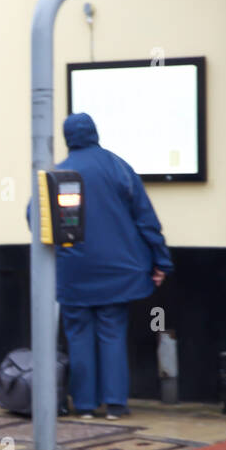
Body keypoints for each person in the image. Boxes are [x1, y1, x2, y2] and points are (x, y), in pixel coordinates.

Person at [50, 112, 171, 420]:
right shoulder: (119, 167)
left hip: (74, 271)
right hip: (118, 271)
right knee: (112, 333)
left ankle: (86, 406)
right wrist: (160, 260)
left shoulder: (58, 173)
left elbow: (33, 215)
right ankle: (116, 404)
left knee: (78, 336)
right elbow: (146, 219)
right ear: (95, 133)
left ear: (67, 139)